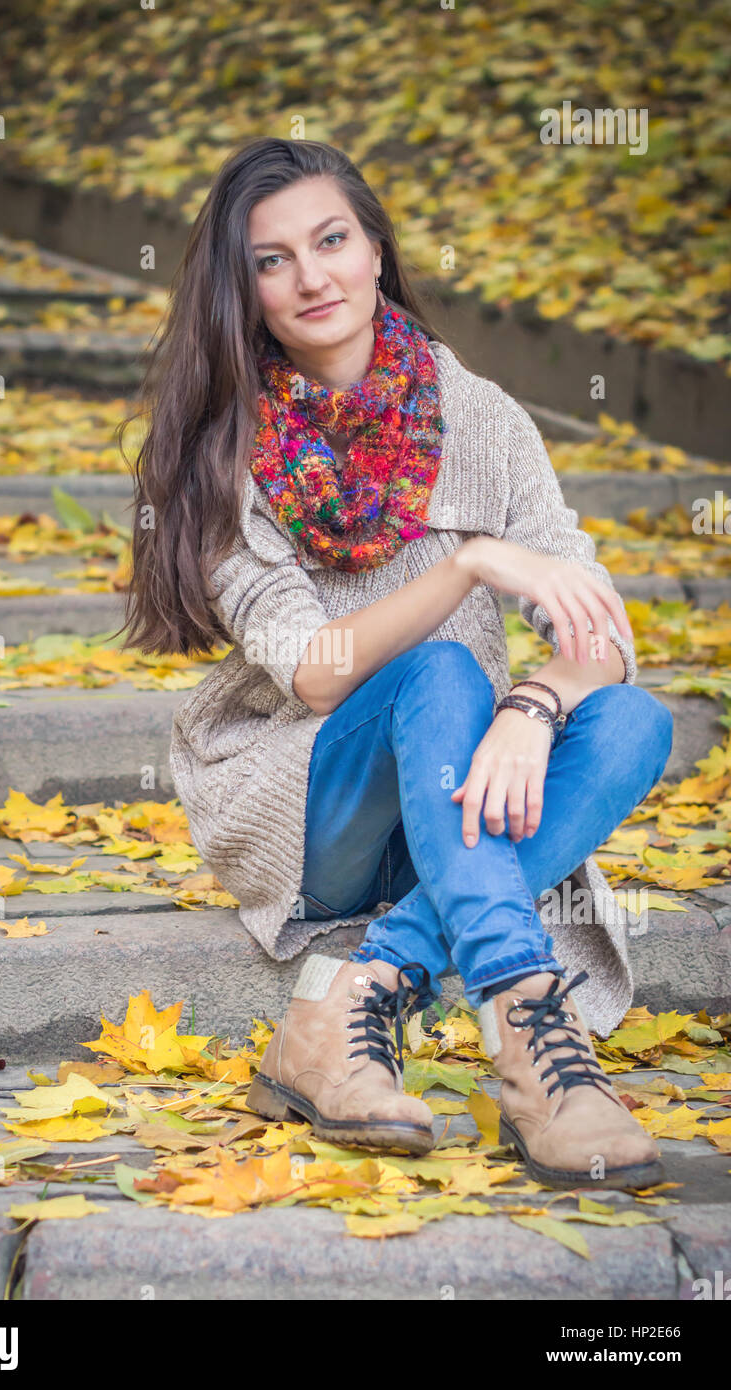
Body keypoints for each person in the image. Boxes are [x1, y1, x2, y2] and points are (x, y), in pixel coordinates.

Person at [117, 136, 674, 1191]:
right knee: (437, 673)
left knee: (633, 719)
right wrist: (468, 565)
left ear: (375, 249)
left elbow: (601, 628)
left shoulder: (488, 422)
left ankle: (366, 987)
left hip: (461, 785)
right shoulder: (228, 455)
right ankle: (532, 1036)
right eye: (272, 259)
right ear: (243, 290)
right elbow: (316, 671)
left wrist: (535, 705)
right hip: (311, 796)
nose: (311, 275)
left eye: (331, 240)